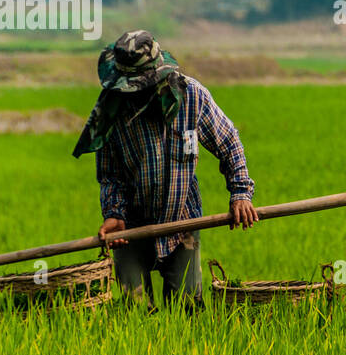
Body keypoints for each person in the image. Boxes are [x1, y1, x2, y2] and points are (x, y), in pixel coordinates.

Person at [72, 29, 259, 308]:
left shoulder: (191, 96)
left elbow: (228, 142)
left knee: (187, 307)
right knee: (134, 309)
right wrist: (114, 214)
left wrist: (241, 194)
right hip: (131, 227)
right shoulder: (112, 109)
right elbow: (110, 175)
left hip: (182, 221)